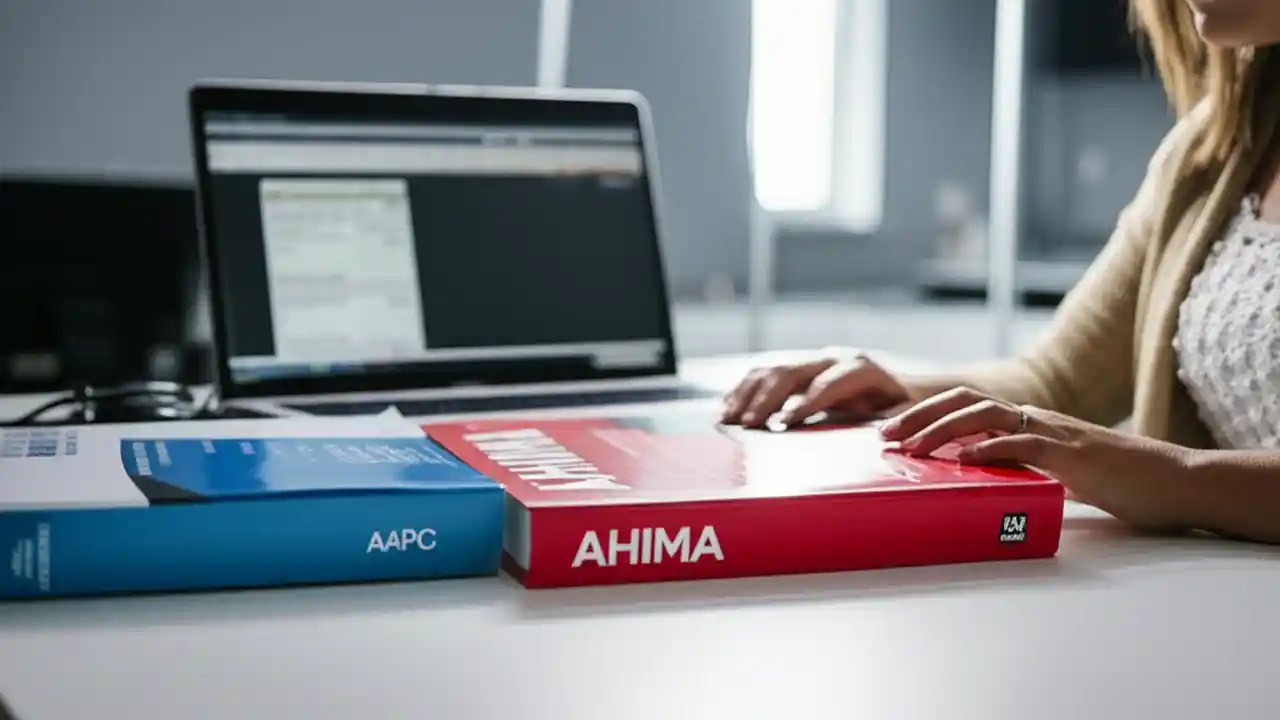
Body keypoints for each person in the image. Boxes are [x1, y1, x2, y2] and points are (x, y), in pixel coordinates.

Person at [721, 0, 1280, 543]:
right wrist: (900, 394)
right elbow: (1059, 382)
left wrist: (1174, 476)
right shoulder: (1214, 149)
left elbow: (1141, 462)